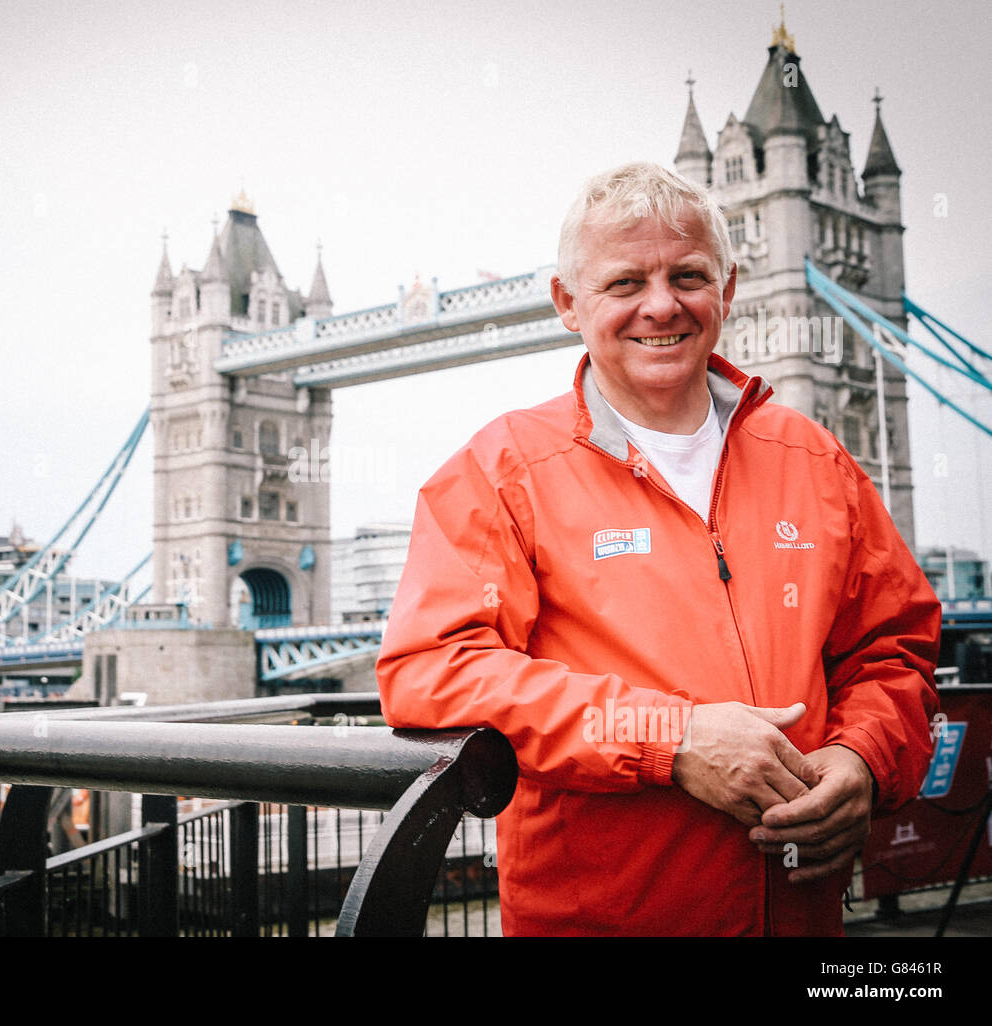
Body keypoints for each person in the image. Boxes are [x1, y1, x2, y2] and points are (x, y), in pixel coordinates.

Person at [375, 161, 941, 936]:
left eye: (688, 275)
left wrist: (863, 762)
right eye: (624, 284)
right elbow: (431, 671)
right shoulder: (501, 471)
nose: (662, 306)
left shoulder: (816, 460)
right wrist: (669, 740)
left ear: (729, 290)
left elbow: (894, 650)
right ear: (568, 303)